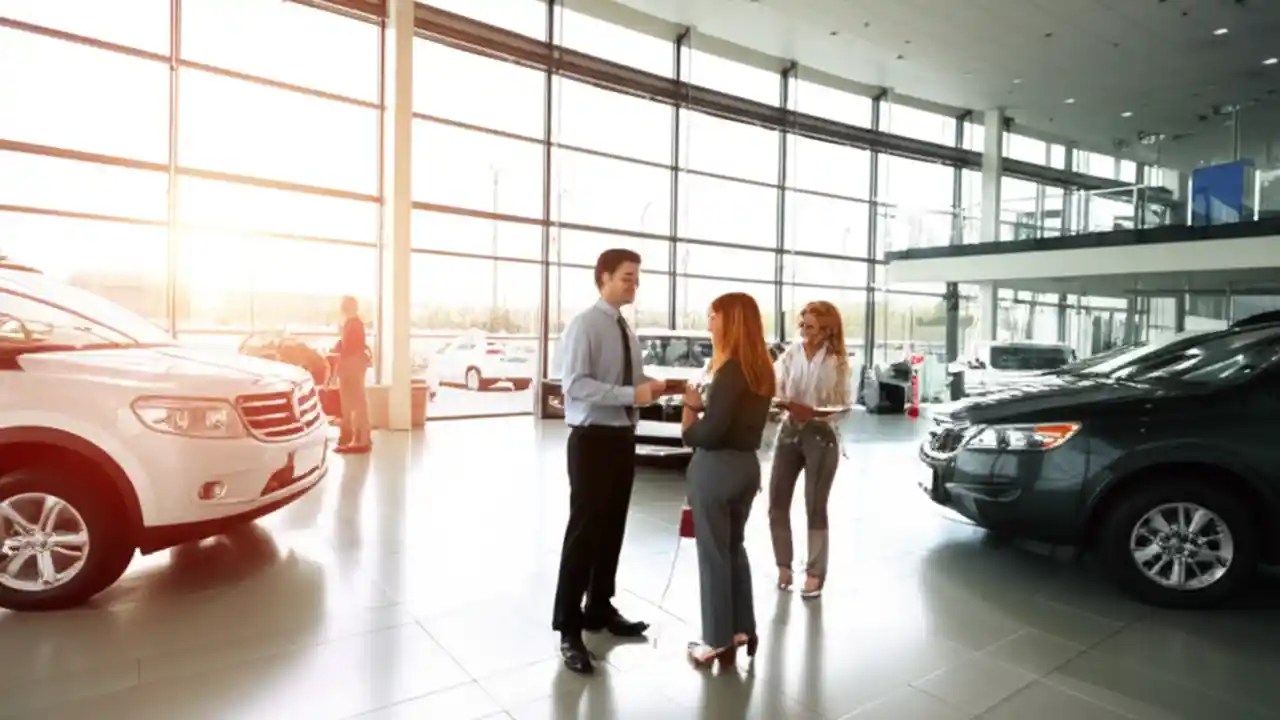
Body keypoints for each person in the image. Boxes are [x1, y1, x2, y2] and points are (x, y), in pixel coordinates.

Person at [552, 248, 671, 675]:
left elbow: (629, 382)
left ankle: (599, 607)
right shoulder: (585, 325)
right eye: (626, 277)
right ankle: (569, 628)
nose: (633, 284)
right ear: (603, 278)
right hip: (591, 440)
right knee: (584, 533)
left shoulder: (625, 329)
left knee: (613, 527)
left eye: (637, 278)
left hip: (622, 437)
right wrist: (629, 394)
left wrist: (652, 387)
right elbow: (575, 386)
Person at [680, 292, 774, 668]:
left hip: (716, 470)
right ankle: (741, 627)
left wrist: (691, 410)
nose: (709, 323)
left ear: (730, 321)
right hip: (746, 468)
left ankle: (717, 638)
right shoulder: (760, 368)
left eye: (713, 315)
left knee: (714, 554)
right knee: (734, 549)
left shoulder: (729, 370)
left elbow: (707, 434)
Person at [768, 300, 851, 599]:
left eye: (811, 326)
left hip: (821, 434)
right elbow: (775, 388)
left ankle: (815, 573)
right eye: (802, 325)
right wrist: (782, 404)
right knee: (777, 501)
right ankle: (783, 565)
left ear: (827, 329)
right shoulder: (791, 353)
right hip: (789, 430)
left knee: (815, 506)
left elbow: (843, 406)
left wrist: (814, 412)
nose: (804, 332)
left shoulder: (837, 361)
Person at [332, 296, 371, 455]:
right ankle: (361, 437)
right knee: (357, 402)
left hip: (351, 366)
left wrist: (337, 368)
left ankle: (359, 440)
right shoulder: (355, 324)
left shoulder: (352, 324)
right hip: (355, 365)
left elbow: (349, 349)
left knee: (354, 403)